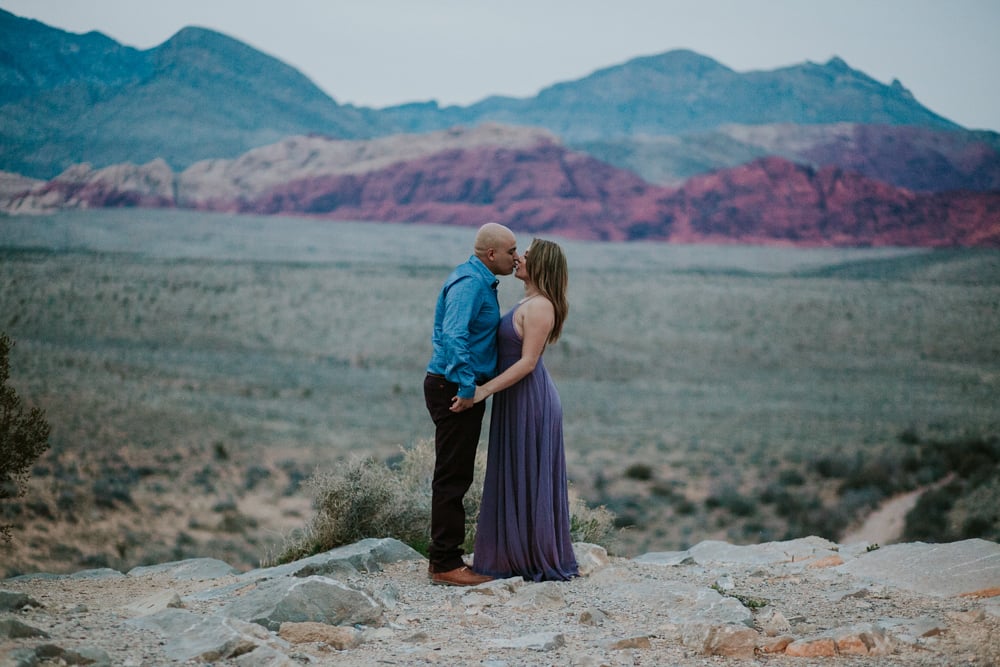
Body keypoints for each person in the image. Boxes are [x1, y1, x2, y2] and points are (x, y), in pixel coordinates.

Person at [471, 238, 579, 582]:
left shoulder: (541, 307)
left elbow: (528, 363)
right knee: (513, 471)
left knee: (526, 473)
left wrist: (484, 391)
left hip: (530, 400)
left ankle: (531, 556)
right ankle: (511, 554)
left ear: (541, 266)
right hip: (513, 398)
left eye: (526, 256)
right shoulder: (528, 301)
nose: (518, 258)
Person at [424, 222, 518, 586]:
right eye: (511, 251)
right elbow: (452, 334)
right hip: (454, 387)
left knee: (456, 471)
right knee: (453, 474)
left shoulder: (477, 280)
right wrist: (466, 386)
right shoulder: (470, 283)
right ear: (491, 254)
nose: (516, 257)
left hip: (458, 384)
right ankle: (445, 563)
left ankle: (446, 557)